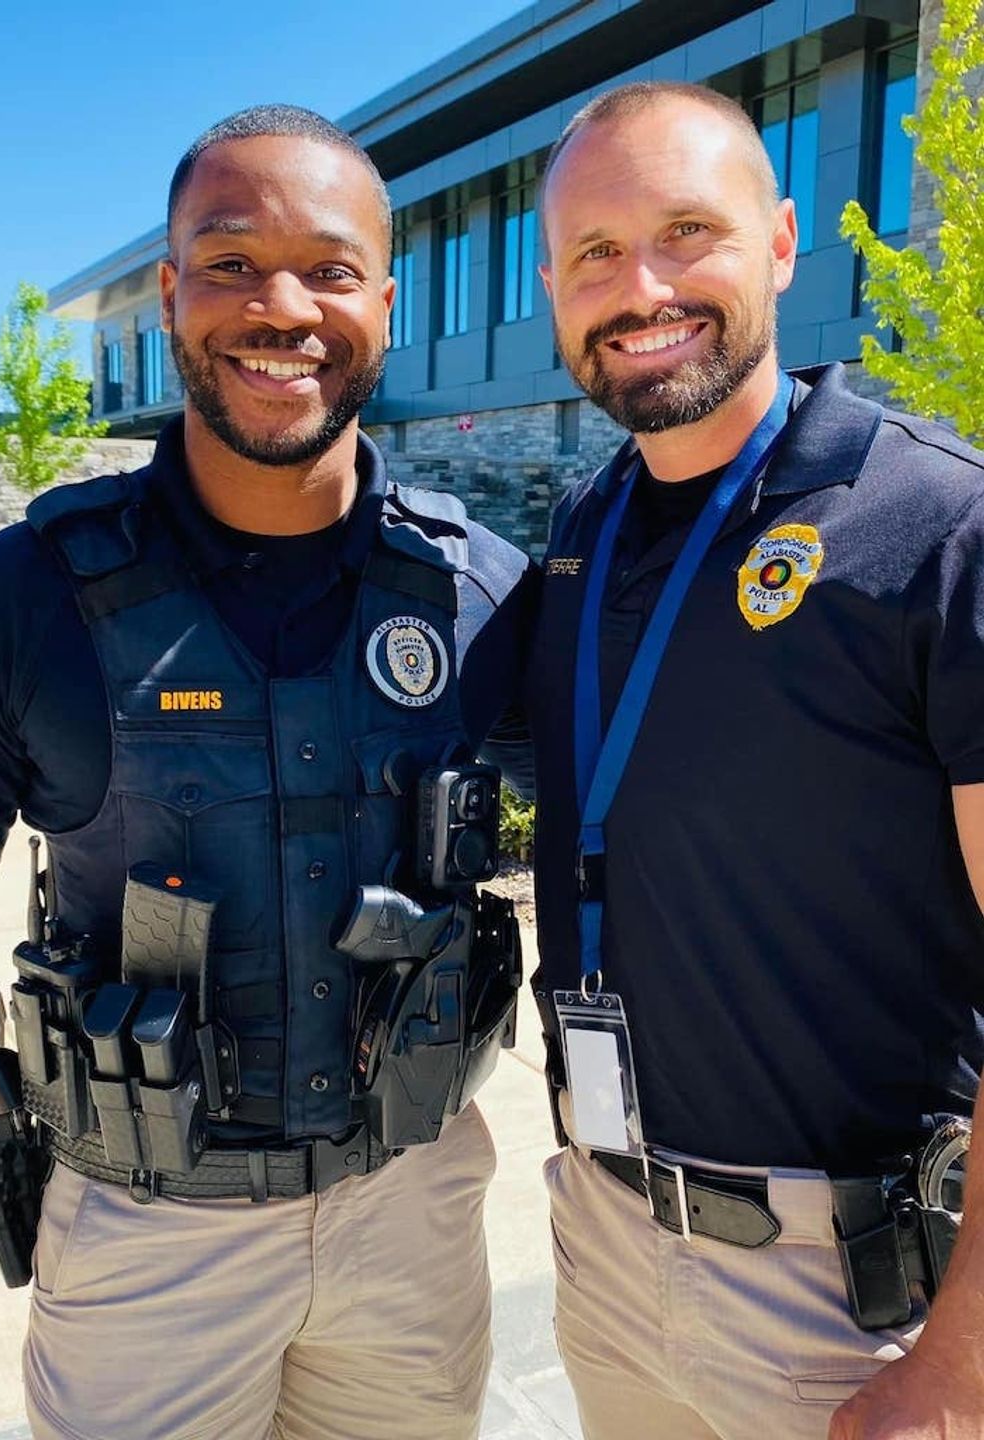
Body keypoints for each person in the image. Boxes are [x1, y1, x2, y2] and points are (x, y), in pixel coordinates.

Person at [0, 105, 533, 1440]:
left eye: (329, 266)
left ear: (387, 300)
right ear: (173, 290)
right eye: (233, 262)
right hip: (145, 1249)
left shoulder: (484, 591)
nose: (282, 306)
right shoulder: (10, 605)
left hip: (413, 1220)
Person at [531, 80, 984, 1440]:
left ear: (784, 243)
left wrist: (958, 1372)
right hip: (604, 1246)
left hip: (844, 1289)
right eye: (596, 253)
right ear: (552, 285)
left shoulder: (936, 524)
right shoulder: (576, 537)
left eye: (687, 231)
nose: (643, 285)